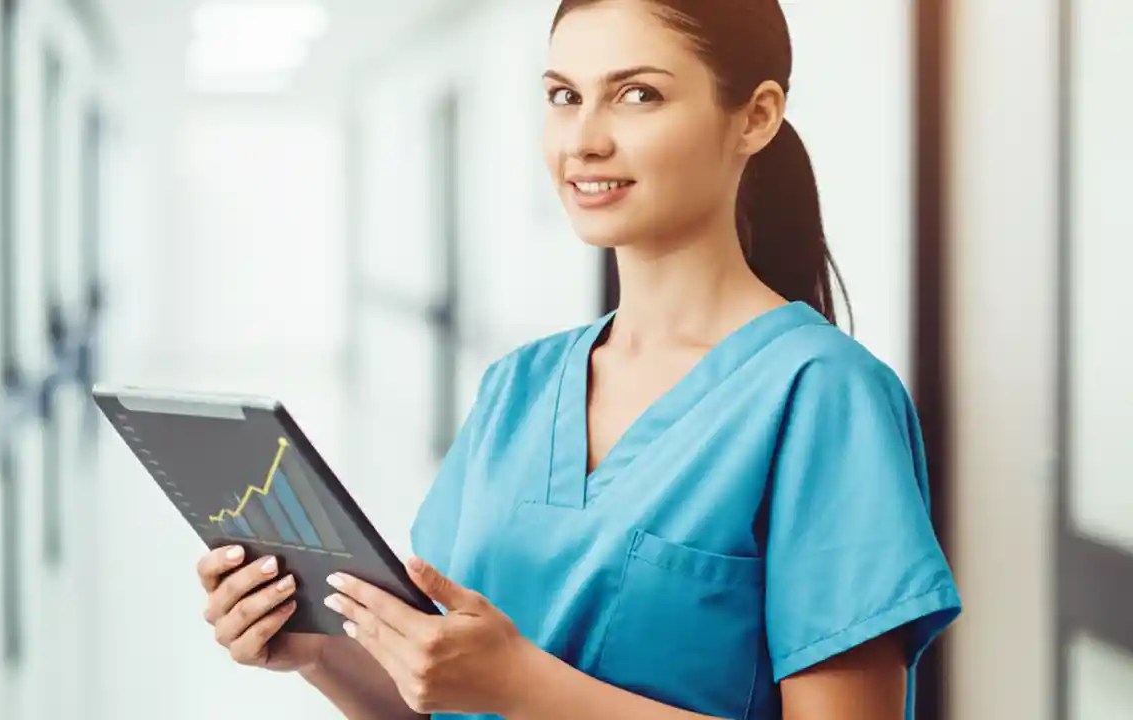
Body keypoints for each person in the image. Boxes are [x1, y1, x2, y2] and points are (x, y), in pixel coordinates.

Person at [195, 0, 962, 717]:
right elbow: (444, 695)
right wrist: (316, 654)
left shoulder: (822, 396)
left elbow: (505, 686)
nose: (584, 139)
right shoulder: (518, 386)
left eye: (637, 96)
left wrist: (527, 685)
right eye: (564, 96)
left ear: (755, 117)